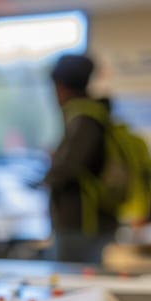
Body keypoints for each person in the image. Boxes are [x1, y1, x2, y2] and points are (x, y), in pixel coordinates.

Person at [45, 55, 118, 263]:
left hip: (83, 221)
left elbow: (68, 167)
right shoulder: (95, 113)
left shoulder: (84, 118)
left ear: (61, 86)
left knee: (72, 278)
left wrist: (50, 171)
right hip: (94, 220)